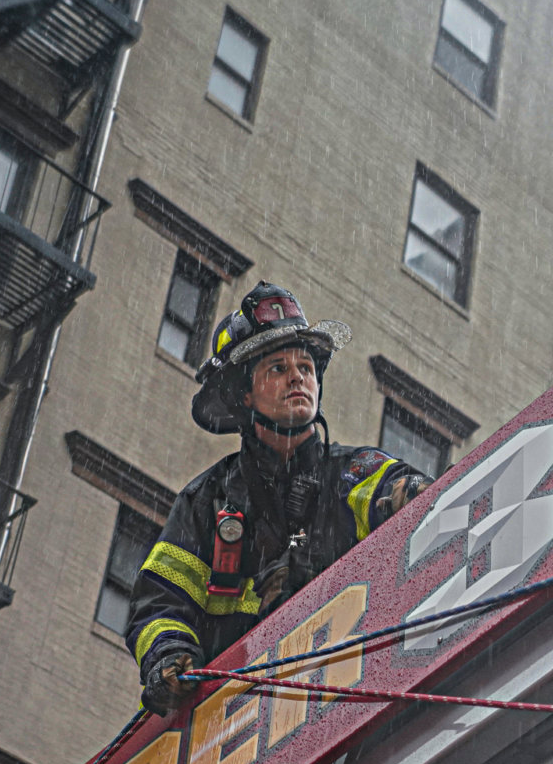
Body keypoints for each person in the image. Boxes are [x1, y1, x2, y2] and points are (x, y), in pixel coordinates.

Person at [127, 281, 431, 715]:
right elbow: (159, 605)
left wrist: (416, 493)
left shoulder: (352, 472)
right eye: (277, 368)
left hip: (348, 703)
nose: (298, 378)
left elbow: (402, 492)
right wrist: (167, 659)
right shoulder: (205, 503)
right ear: (243, 394)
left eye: (306, 367)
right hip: (236, 726)